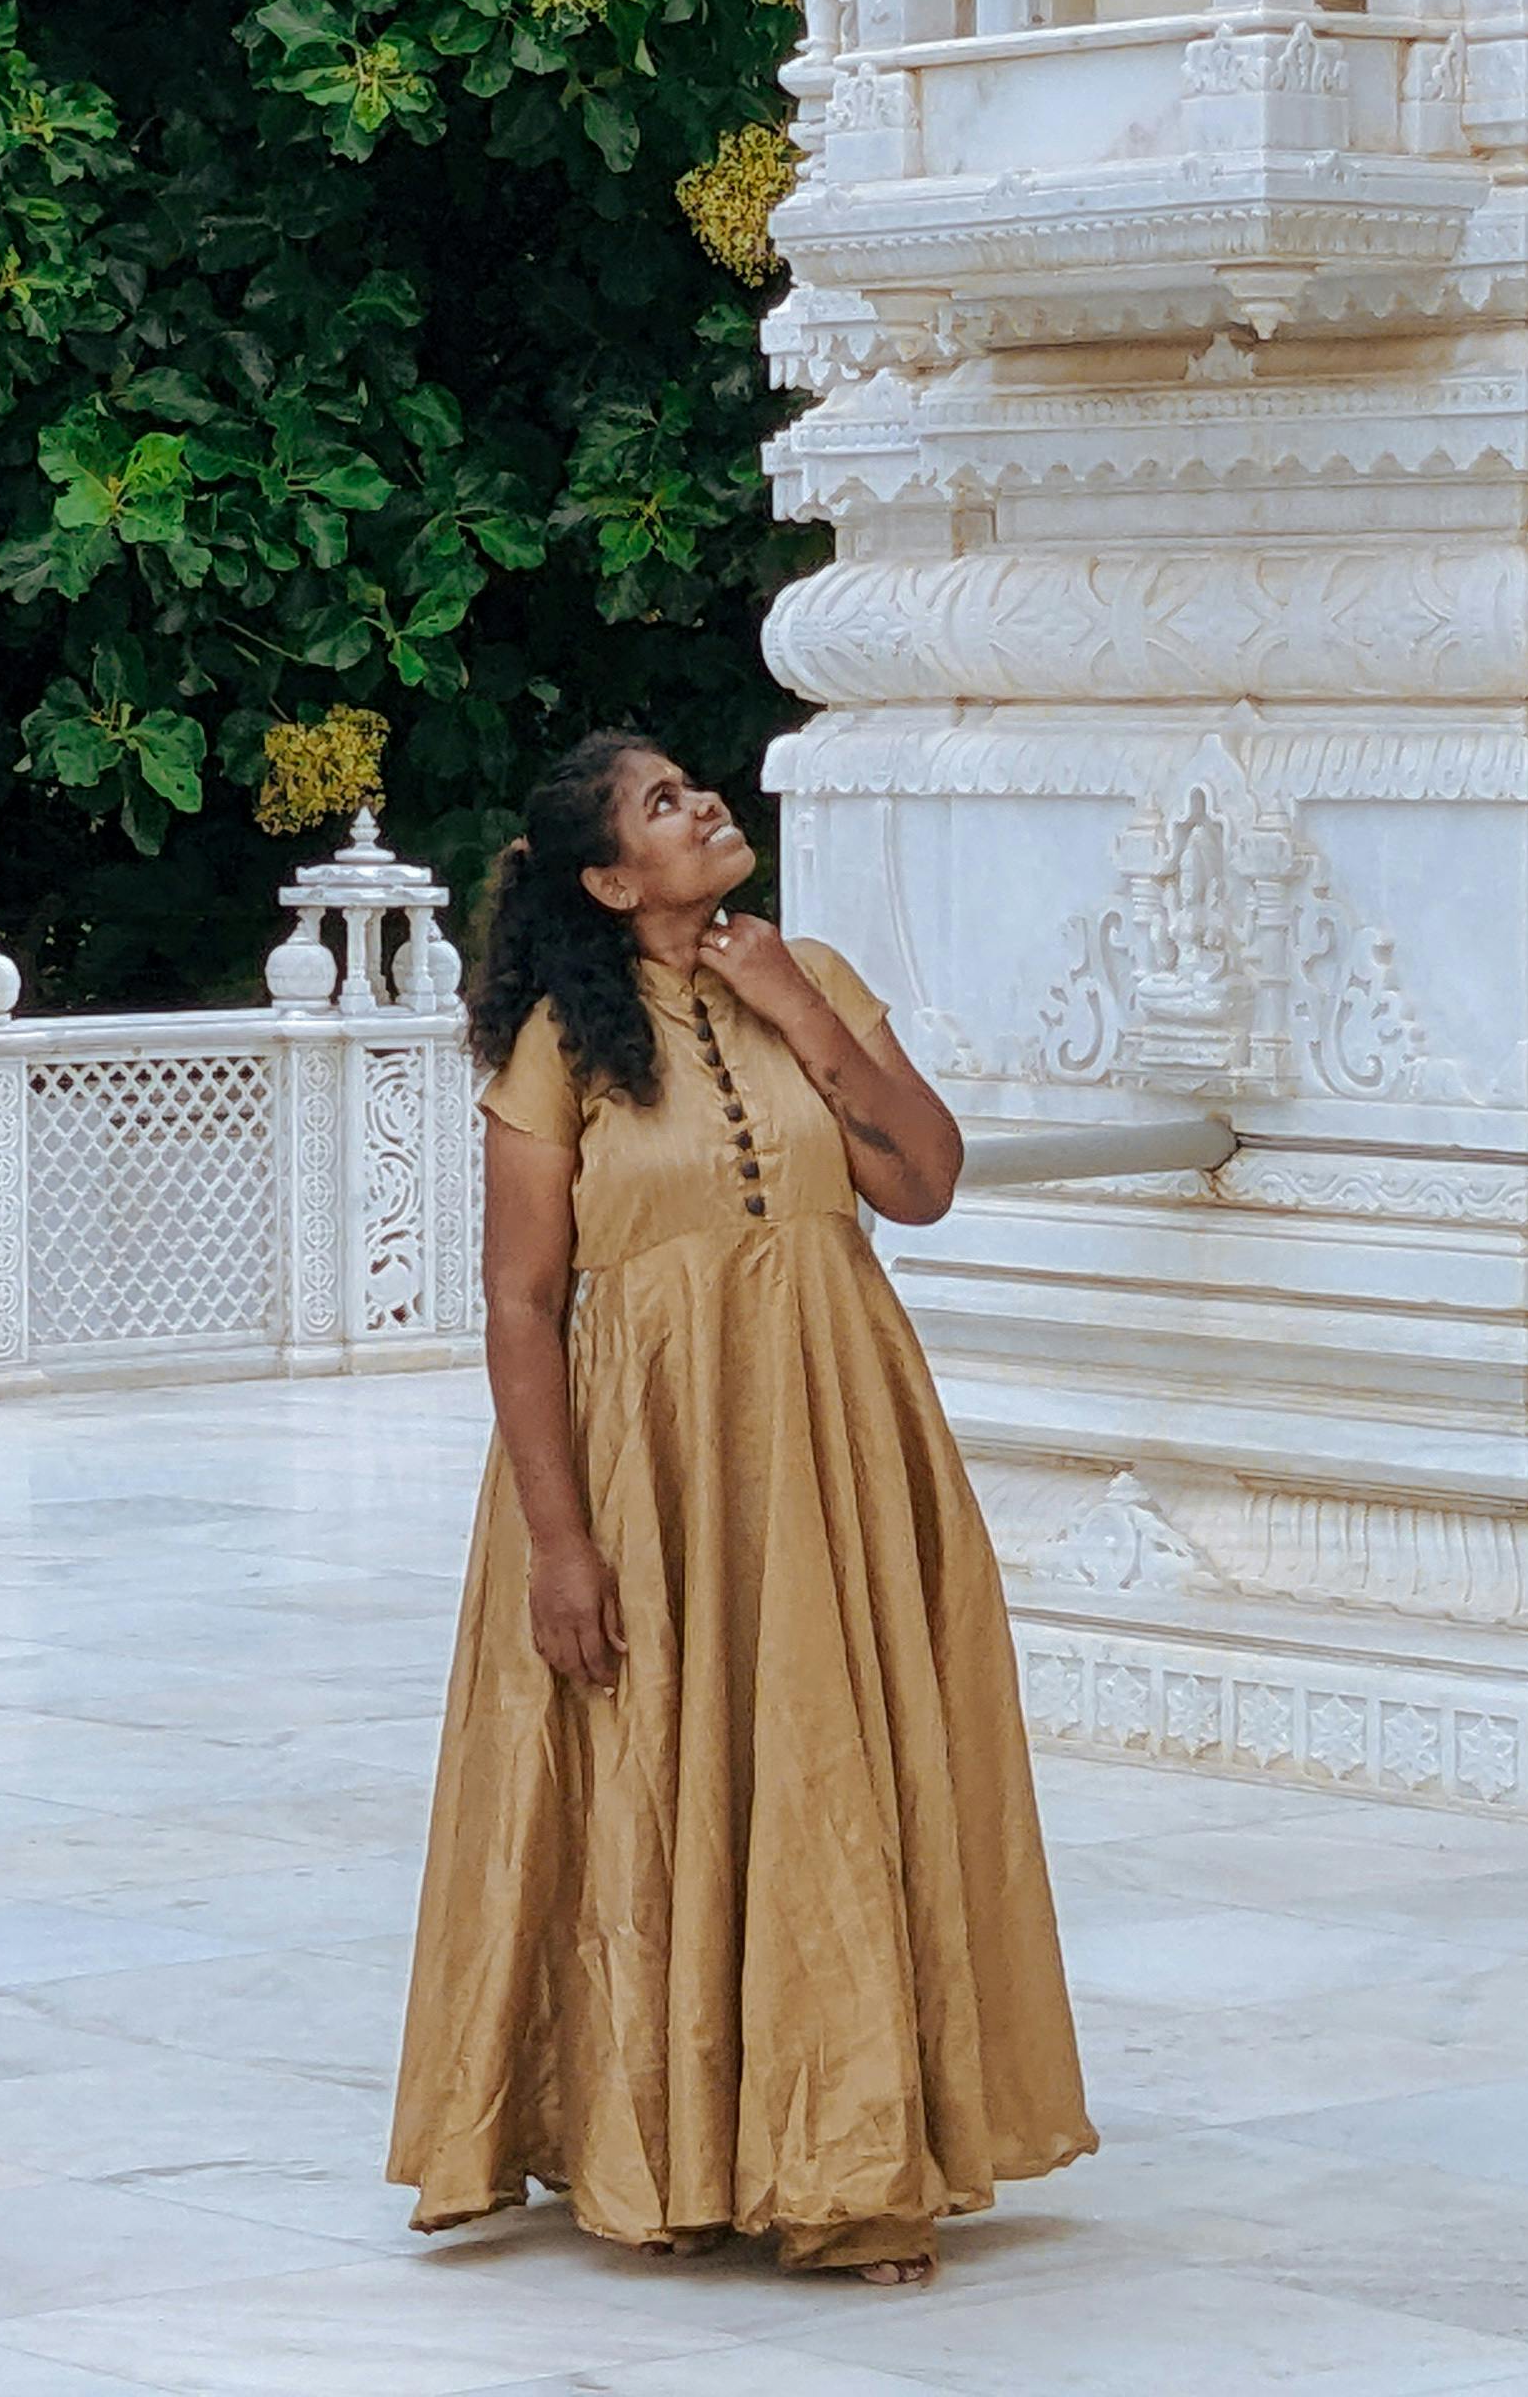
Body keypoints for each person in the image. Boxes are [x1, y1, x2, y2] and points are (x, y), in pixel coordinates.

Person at [387, 729, 1095, 2284]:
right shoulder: (561, 1042)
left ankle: (843, 2158)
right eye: (663, 805)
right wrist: (562, 1543)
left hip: (835, 1432)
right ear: (609, 877)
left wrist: (795, 1010)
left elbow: (923, 1185)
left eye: (695, 788)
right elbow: (519, 1301)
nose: (704, 805)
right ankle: (670, 2150)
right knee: (666, 1778)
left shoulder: (810, 971)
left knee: (835, 1768)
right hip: (647, 1458)